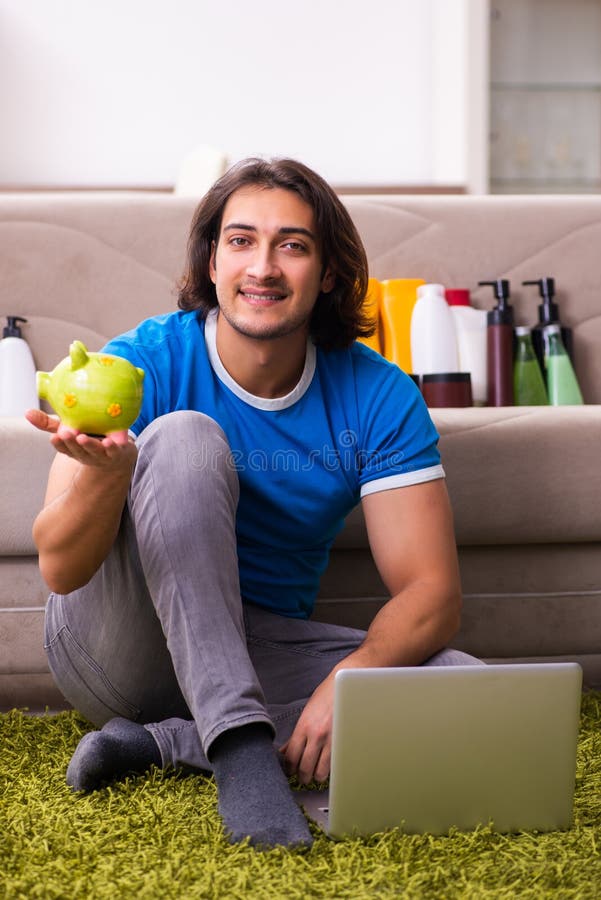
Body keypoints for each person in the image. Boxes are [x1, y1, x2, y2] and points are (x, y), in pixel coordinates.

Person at [27, 157, 480, 851]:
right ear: (212, 261)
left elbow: (431, 594)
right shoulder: (141, 365)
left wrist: (349, 680)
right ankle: (241, 751)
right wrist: (108, 477)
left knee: (463, 685)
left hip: (255, 646)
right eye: (241, 241)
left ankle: (166, 743)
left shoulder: (379, 394)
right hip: (116, 645)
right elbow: (60, 571)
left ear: (327, 273)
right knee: (182, 436)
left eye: (292, 246)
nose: (263, 267)